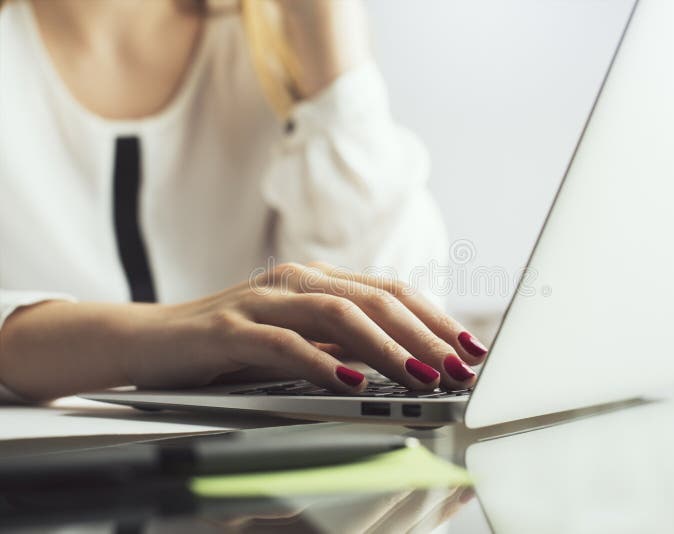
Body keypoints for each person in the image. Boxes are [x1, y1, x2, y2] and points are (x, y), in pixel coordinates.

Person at [0, 0, 490, 402]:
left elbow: (391, 325)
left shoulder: (275, 46)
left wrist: (331, 49)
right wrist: (152, 337)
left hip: (271, 477)